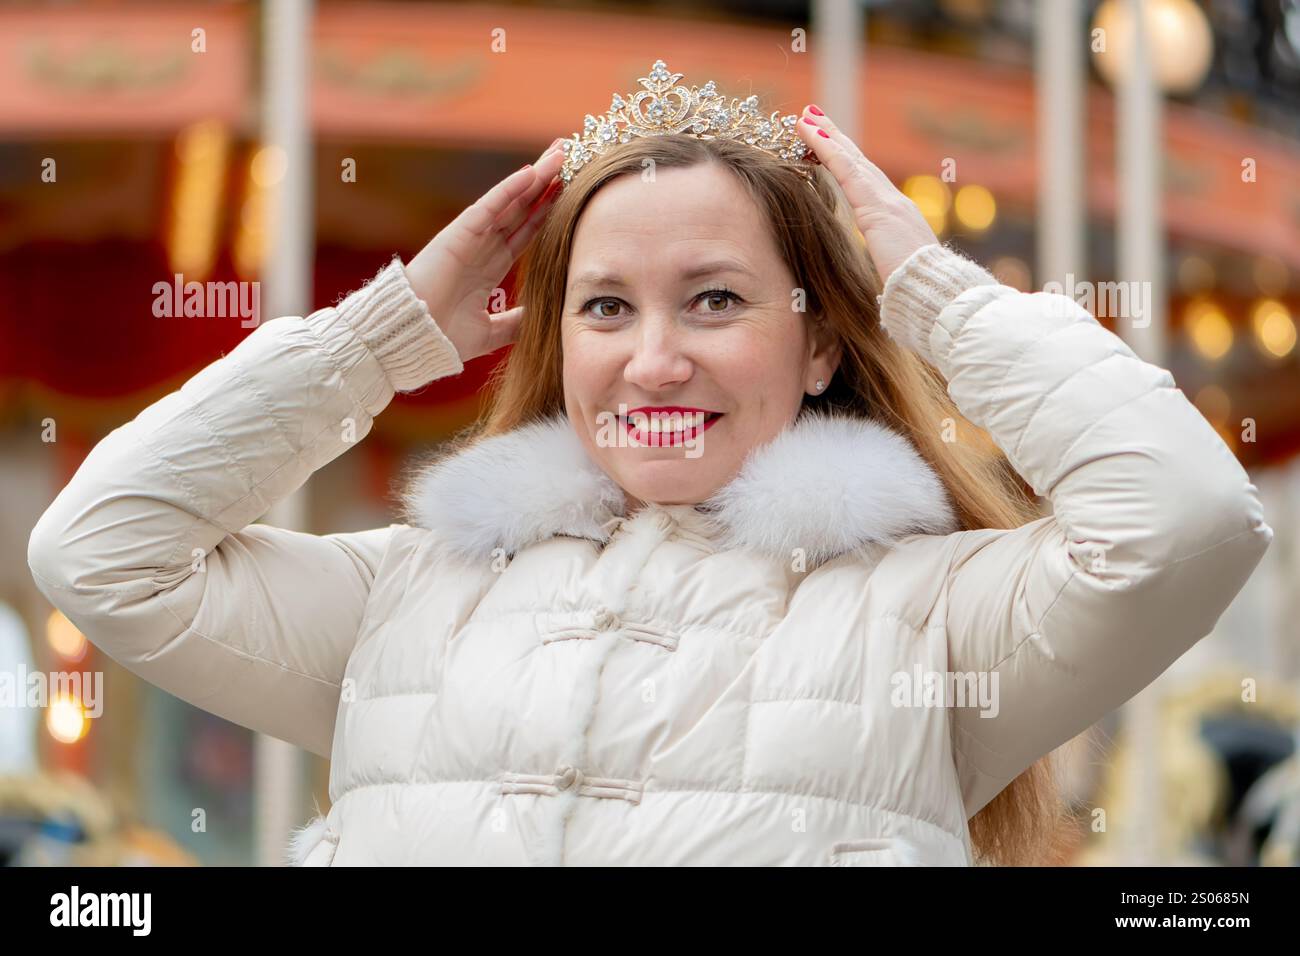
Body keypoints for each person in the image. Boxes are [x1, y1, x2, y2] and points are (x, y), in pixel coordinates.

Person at [27, 61, 1272, 866]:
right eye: (605, 308)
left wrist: (932, 292)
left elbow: (1186, 518)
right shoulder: (400, 594)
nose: (654, 359)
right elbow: (102, 550)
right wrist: (377, 334)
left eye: (715, 300)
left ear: (825, 339)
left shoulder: (933, 614)